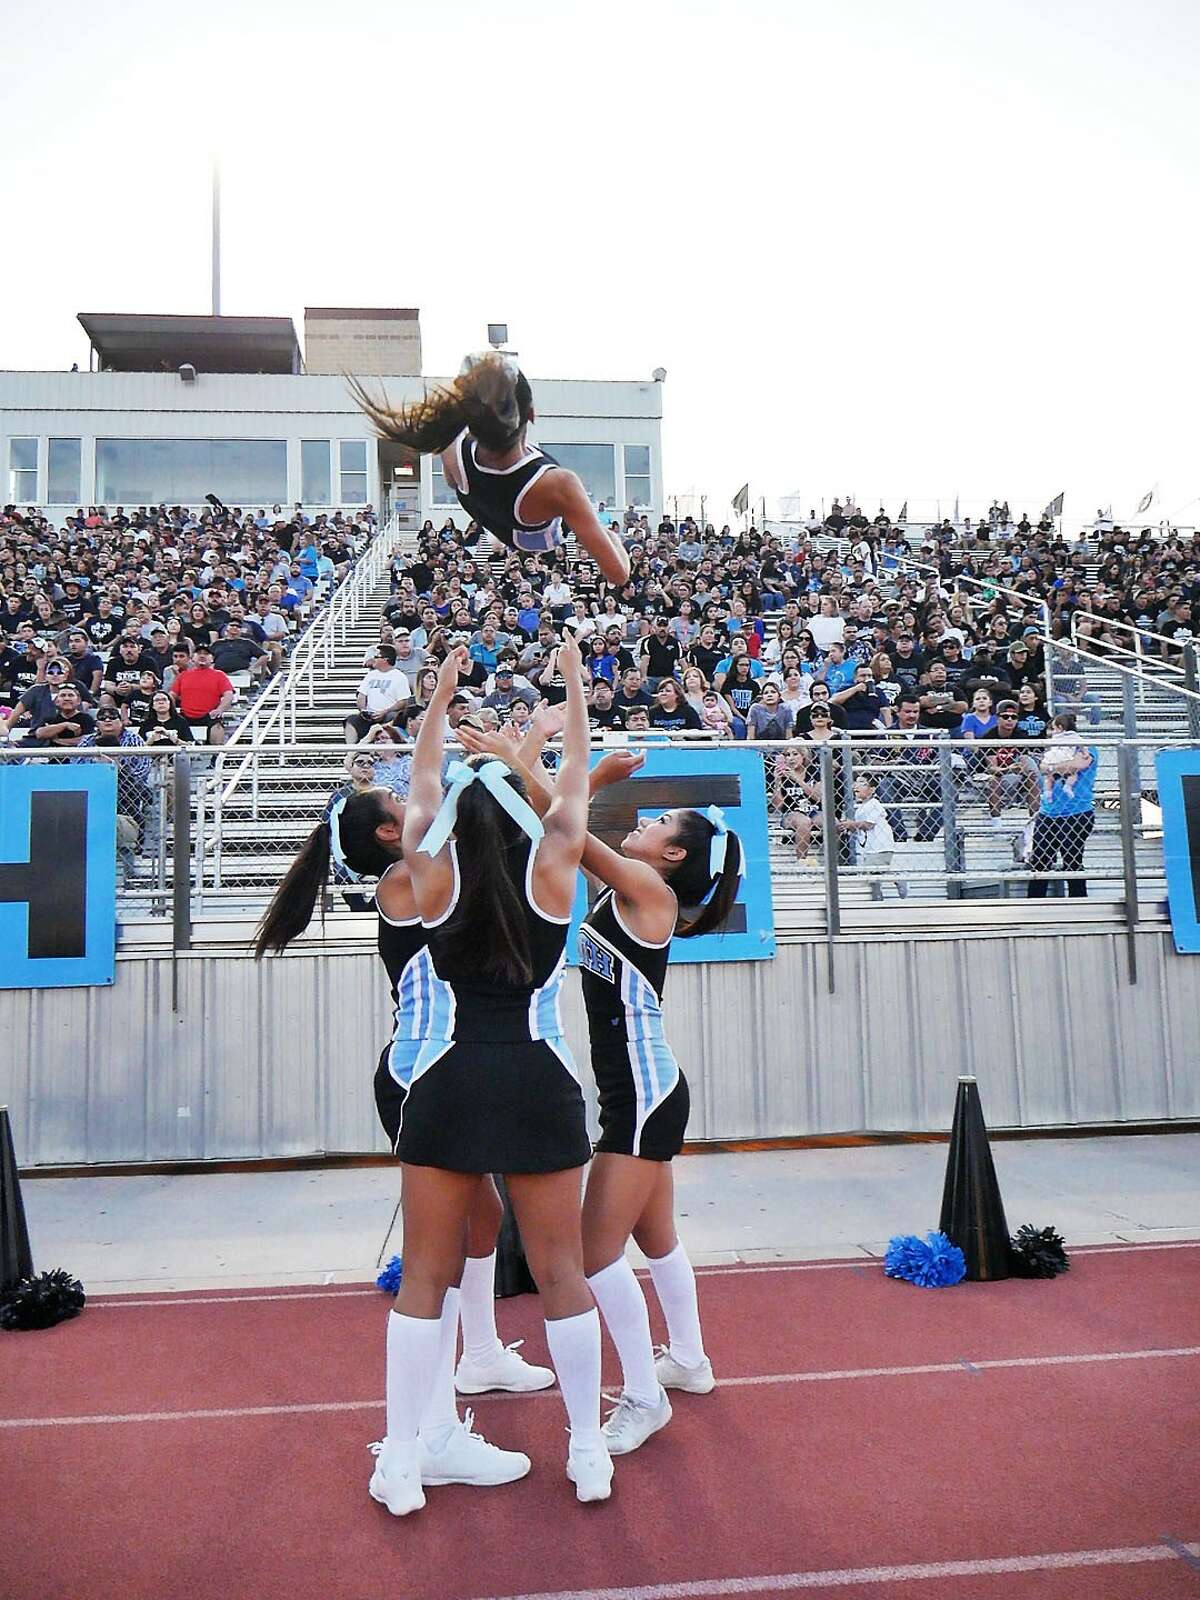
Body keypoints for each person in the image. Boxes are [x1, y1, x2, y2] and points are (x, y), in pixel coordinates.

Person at [253, 783, 552, 1506]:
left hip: (437, 1069)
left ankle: (477, 1357)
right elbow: (504, 834)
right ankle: (429, 1438)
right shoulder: (409, 877)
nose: (413, 801)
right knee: (438, 1256)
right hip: (424, 1076)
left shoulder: (419, 867)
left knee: (484, 1222)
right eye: (397, 801)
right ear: (391, 835)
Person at [372, 635, 612, 1513]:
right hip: (539, 1082)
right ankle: (588, 1450)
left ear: (450, 825)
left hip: (447, 1082)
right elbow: (576, 776)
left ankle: (402, 1460)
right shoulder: (555, 869)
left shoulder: (428, 877)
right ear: (524, 816)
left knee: (426, 1275)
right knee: (562, 1273)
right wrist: (574, 685)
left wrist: (437, 699)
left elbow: (425, 780)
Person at [458, 719, 742, 1455]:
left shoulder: (645, 887)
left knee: (593, 1255)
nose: (644, 824)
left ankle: (645, 1397)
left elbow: (566, 828)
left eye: (659, 823)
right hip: (643, 1090)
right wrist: (529, 763)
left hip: (643, 1098)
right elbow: (565, 827)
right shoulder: (620, 889)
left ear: (672, 855)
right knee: (656, 1237)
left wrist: (519, 758)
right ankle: (688, 1359)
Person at [352, 353, 630, 585]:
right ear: (531, 414)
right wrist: (612, 537)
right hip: (535, 534)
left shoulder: (452, 448)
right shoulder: (560, 486)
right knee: (585, 517)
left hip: (492, 507)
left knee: (460, 481)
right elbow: (618, 575)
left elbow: (453, 479)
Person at [1026, 725, 1098, 898]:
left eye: (1054, 728)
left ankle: (1078, 903)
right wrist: (1057, 767)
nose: (1052, 733)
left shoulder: (1085, 746)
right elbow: (1043, 767)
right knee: (1039, 860)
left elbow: (1076, 765)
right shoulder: (1053, 748)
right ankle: (1034, 904)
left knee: (1072, 860)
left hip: (1076, 813)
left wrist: (1054, 767)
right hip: (1048, 813)